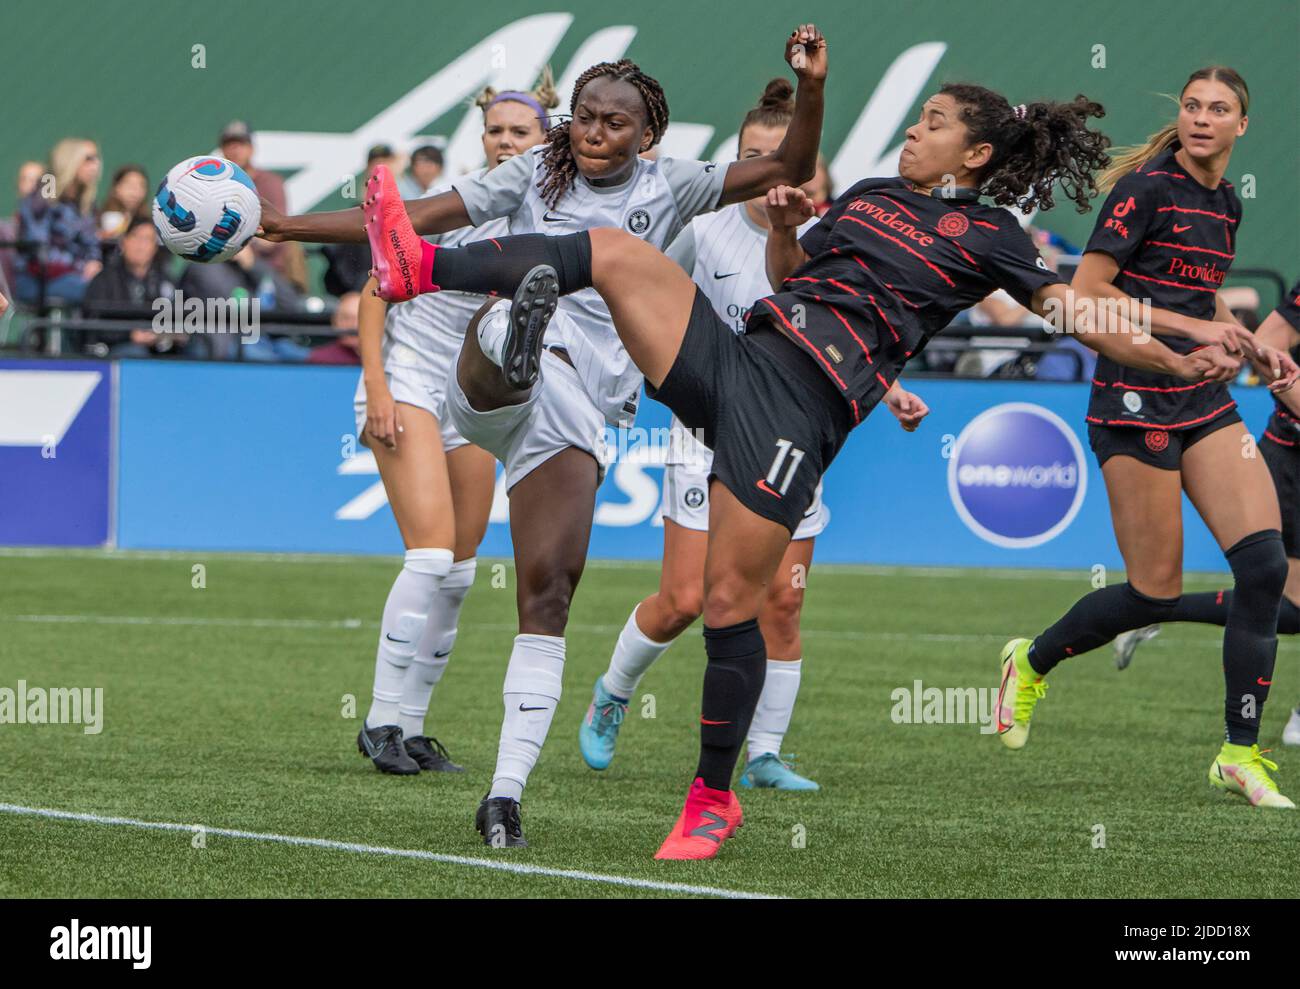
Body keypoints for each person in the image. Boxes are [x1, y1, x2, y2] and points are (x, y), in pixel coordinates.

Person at [355, 54, 1277, 855]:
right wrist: (791, 228)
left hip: (801, 412)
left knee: (728, 603)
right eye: (917, 121)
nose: (913, 135)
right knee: (610, 250)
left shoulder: (995, 238)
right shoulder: (874, 197)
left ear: (979, 156)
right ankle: (415, 265)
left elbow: (1083, 314)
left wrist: (1172, 351)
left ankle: (712, 798)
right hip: (741, 354)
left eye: (933, 125)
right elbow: (793, 281)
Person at [261, 25, 829, 850]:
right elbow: (413, 216)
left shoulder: (673, 185)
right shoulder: (534, 169)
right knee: (506, 337)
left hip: (580, 408)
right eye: (585, 118)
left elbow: (787, 167)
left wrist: (811, 88)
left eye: (613, 124)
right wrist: (287, 230)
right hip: (489, 379)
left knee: (548, 597)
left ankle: (503, 795)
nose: (593, 134)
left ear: (649, 135)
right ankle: (515, 337)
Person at [577, 78, 930, 792]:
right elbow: (636, 298)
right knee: (684, 600)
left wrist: (889, 389)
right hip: (704, 431)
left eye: (780, 156)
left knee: (784, 601)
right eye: (751, 156)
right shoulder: (700, 230)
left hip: (793, 435)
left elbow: (834, 337)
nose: (766, 170)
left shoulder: (825, 242)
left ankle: (764, 752)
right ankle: (613, 692)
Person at [996, 67, 1300, 810]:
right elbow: (1087, 292)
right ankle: (1030, 661)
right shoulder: (1146, 191)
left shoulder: (1225, 200)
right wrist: (1197, 325)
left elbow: (1196, 294)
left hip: (1202, 397)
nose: (1201, 118)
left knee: (1263, 568)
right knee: (1154, 590)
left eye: (1218, 109)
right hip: (1133, 400)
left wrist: (1247, 342)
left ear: (1241, 127)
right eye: (1193, 106)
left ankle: (1239, 750)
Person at [350, 73, 557, 776]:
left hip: (469, 396)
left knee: (462, 572)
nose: (504, 140)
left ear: (545, 138)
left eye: (519, 131)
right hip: (406, 381)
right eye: (496, 129)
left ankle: (411, 726)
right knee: (431, 556)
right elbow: (376, 291)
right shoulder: (458, 202)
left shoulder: (549, 217)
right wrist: (376, 386)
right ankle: (379, 719)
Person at [1112, 279, 1300, 749]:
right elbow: (1271, 343)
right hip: (1292, 457)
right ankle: (1152, 606)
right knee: (1282, 600)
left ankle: (1157, 611)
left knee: (1290, 609)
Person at [14, 138, 102, 305]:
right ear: (70, 160)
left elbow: (91, 245)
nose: (95, 165)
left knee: (110, 287)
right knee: (98, 291)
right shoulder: (42, 197)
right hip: (36, 280)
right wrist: (82, 267)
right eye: (88, 159)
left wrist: (94, 263)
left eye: (96, 158)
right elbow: (40, 251)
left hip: (75, 277)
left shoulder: (84, 203)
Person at [82, 215, 179, 357]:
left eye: (147, 239)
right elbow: (93, 324)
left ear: (154, 247)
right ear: (124, 242)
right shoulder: (104, 279)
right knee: (136, 353)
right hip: (117, 347)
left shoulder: (163, 280)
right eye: (136, 237)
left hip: (158, 345)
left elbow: (177, 315)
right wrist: (129, 335)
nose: (140, 246)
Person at [307, 291, 362, 365]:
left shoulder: (382, 358)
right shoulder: (321, 359)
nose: (354, 325)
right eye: (346, 318)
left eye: (360, 318)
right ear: (334, 322)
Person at [98, 164, 150, 242]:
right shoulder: (109, 218)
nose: (136, 191)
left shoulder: (148, 222)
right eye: (130, 185)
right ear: (116, 188)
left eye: (141, 186)